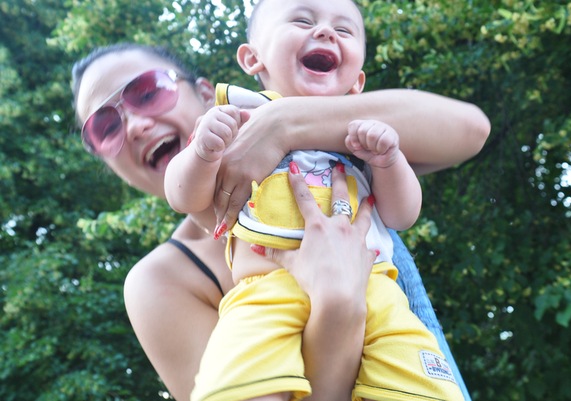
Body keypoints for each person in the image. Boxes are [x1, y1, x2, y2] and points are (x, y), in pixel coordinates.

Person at [71, 35, 489, 401]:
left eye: (147, 91)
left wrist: (285, 122)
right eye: (104, 127)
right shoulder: (161, 281)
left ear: (206, 93)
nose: (137, 125)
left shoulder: (327, 158)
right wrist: (337, 308)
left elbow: (469, 129)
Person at [164, 1, 463, 400]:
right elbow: (183, 196)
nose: (325, 32)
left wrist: (390, 160)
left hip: (375, 288)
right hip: (266, 290)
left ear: (357, 81)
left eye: (344, 30)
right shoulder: (235, 118)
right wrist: (203, 152)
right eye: (302, 20)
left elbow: (402, 215)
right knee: (239, 380)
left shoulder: (359, 132)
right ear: (252, 58)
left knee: (423, 384)